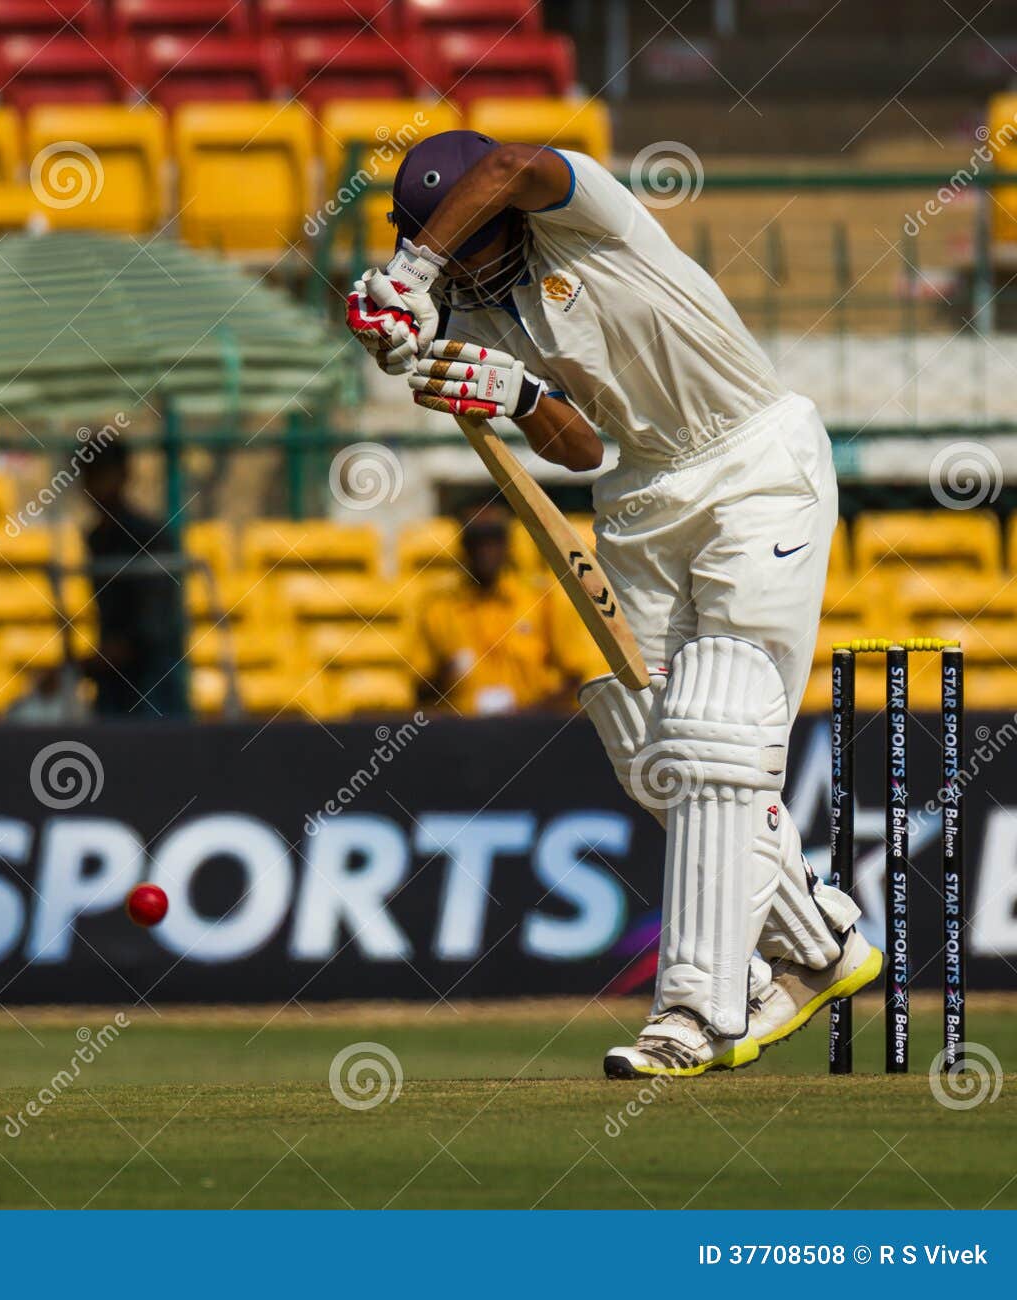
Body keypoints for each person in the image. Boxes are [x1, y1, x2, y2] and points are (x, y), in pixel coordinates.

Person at [347, 130, 879, 1078]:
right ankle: (818, 941)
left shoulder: (582, 213)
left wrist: (414, 269)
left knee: (718, 729)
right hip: (634, 500)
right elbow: (581, 450)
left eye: (467, 243)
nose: (467, 264)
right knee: (652, 750)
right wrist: (509, 389)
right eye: (443, 248)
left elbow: (513, 161)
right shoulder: (462, 308)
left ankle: (697, 1013)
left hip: (752, 462)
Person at [416, 502, 593, 714]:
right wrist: (443, 677)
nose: (485, 550)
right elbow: (421, 689)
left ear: (507, 545)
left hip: (533, 726)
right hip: (463, 729)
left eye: (494, 539)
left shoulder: (542, 599)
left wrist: (530, 718)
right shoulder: (438, 607)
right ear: (463, 546)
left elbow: (575, 677)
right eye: (476, 540)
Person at [77, 439, 187, 719]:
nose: (97, 487)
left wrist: (112, 655)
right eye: (90, 476)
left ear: (124, 474)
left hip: (154, 683)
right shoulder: (96, 540)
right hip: (113, 689)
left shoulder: (151, 537)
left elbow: (155, 624)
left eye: (103, 475)